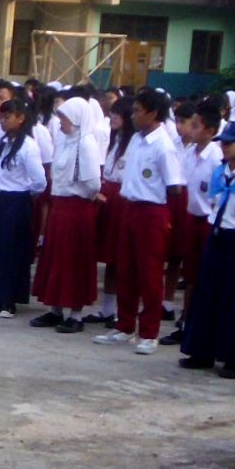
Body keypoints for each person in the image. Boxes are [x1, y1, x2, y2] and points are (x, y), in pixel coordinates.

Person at [94, 89, 184, 355]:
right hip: (129, 208)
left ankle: (149, 332)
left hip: (152, 211)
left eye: (137, 111)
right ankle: (124, 325)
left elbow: (175, 187)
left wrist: (157, 208)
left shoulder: (163, 146)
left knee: (150, 273)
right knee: (126, 269)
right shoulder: (135, 141)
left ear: (153, 114)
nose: (133, 116)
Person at [178, 120, 235, 378]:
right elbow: (214, 201)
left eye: (230, 143)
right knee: (207, 294)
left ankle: (233, 357)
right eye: (224, 143)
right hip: (216, 234)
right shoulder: (219, 172)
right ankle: (201, 350)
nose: (225, 147)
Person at [0, 98, 46, 318]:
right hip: (0, 199)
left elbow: (39, 181)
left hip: (16, 201)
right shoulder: (4, 143)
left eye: (7, 117)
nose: (3, 121)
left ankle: (7, 299)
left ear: (21, 118)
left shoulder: (28, 146)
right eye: (1, 117)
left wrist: (22, 195)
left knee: (10, 251)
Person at [31, 98, 102, 331]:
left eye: (65, 118)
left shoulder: (86, 144)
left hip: (77, 208)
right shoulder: (65, 140)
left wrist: (79, 195)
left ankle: (76, 314)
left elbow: (93, 183)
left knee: (74, 260)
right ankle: (55, 309)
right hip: (60, 206)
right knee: (56, 258)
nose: (61, 122)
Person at [163, 100, 224, 346]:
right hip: (191, 219)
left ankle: (200, 325)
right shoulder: (189, 153)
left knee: (203, 277)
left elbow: (218, 196)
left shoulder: (216, 157)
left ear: (209, 130)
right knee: (190, 276)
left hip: (208, 222)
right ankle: (186, 322)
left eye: (197, 125)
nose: (192, 129)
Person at [90, 96, 136, 328]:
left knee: (122, 259)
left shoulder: (135, 143)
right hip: (108, 197)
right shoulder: (115, 140)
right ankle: (107, 308)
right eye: (112, 113)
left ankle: (122, 310)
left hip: (123, 199)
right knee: (109, 258)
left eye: (118, 113)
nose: (113, 117)